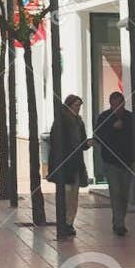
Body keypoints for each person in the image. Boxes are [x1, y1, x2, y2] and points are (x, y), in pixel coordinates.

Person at [47, 92, 89, 239]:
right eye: (76, 105)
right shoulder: (61, 121)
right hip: (65, 164)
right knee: (65, 194)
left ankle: (69, 222)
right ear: (69, 106)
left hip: (76, 163)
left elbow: (83, 142)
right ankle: (63, 222)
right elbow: (55, 140)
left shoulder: (79, 122)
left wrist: (87, 144)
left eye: (79, 106)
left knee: (74, 196)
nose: (78, 108)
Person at [94, 91, 133, 237]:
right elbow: (98, 137)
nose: (117, 107)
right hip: (110, 162)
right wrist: (112, 128)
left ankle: (119, 217)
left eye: (120, 104)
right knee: (115, 192)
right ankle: (119, 224)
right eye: (114, 105)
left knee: (124, 194)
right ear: (110, 104)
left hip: (127, 162)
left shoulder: (130, 117)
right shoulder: (104, 118)